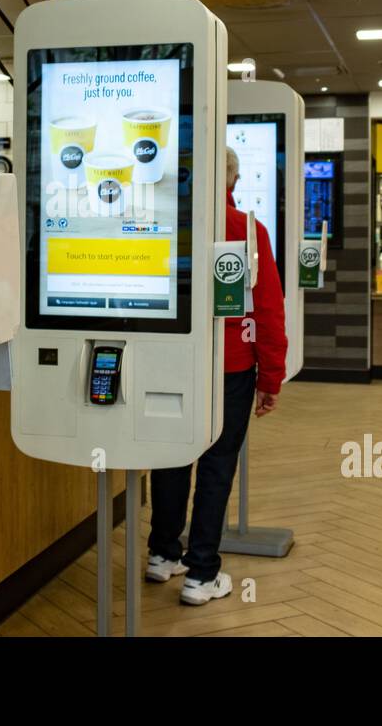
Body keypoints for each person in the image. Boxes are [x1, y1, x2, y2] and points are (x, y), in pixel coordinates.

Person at [145, 145, 288, 605]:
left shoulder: (165, 223)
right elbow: (267, 310)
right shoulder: (248, 230)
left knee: (170, 456)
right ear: (232, 181)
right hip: (231, 367)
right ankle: (201, 573)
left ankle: (163, 553)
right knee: (217, 464)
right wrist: (271, 377)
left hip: (170, 361)